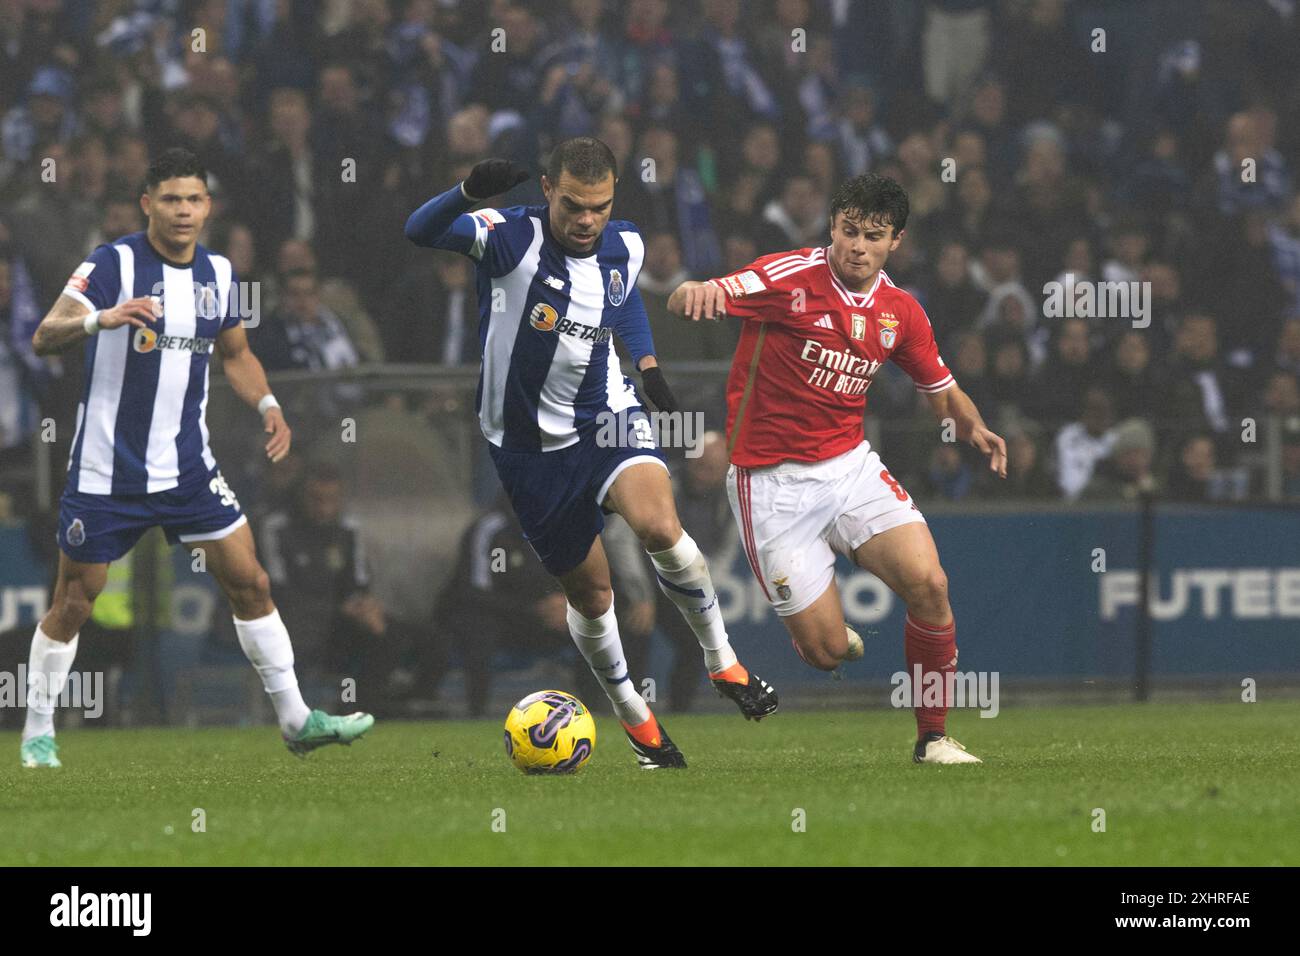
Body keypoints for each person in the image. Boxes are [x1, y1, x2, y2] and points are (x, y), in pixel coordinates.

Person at [404, 137, 778, 770]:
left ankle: (725, 662)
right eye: (574, 206)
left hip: (605, 416)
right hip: (526, 449)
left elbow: (622, 294)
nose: (586, 221)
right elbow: (420, 230)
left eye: (599, 207)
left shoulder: (623, 242)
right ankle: (635, 716)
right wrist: (468, 191)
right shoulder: (508, 238)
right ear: (548, 190)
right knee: (594, 596)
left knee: (661, 525)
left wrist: (648, 360)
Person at [22, 147, 373, 768]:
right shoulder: (114, 263)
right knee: (76, 600)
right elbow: (44, 335)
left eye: (193, 200)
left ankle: (296, 720)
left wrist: (267, 402)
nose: (182, 211)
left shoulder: (219, 275)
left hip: (187, 469)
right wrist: (103, 318)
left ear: (207, 207)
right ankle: (38, 733)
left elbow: (234, 353)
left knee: (252, 581)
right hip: (108, 469)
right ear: (147, 205)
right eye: (170, 200)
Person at [667, 173, 1008, 765]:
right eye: (849, 231)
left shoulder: (900, 312)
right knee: (826, 652)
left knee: (931, 585)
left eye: (872, 236)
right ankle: (823, 635)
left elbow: (942, 388)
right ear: (832, 227)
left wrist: (973, 425)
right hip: (770, 486)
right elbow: (712, 290)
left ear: (894, 241)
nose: (857, 246)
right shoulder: (789, 277)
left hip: (849, 469)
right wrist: (694, 291)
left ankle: (932, 739)